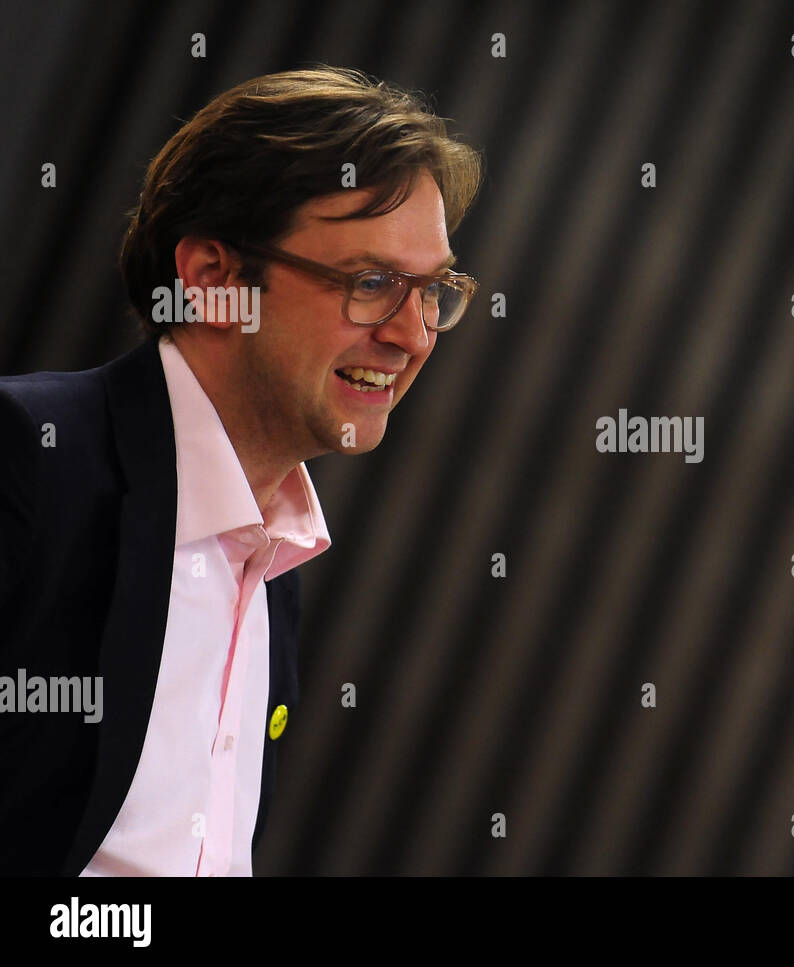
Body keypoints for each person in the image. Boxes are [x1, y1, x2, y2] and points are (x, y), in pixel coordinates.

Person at [0, 67, 482, 875]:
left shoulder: (275, 565)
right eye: (370, 284)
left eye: (433, 291)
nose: (414, 334)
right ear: (213, 280)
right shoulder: (28, 458)